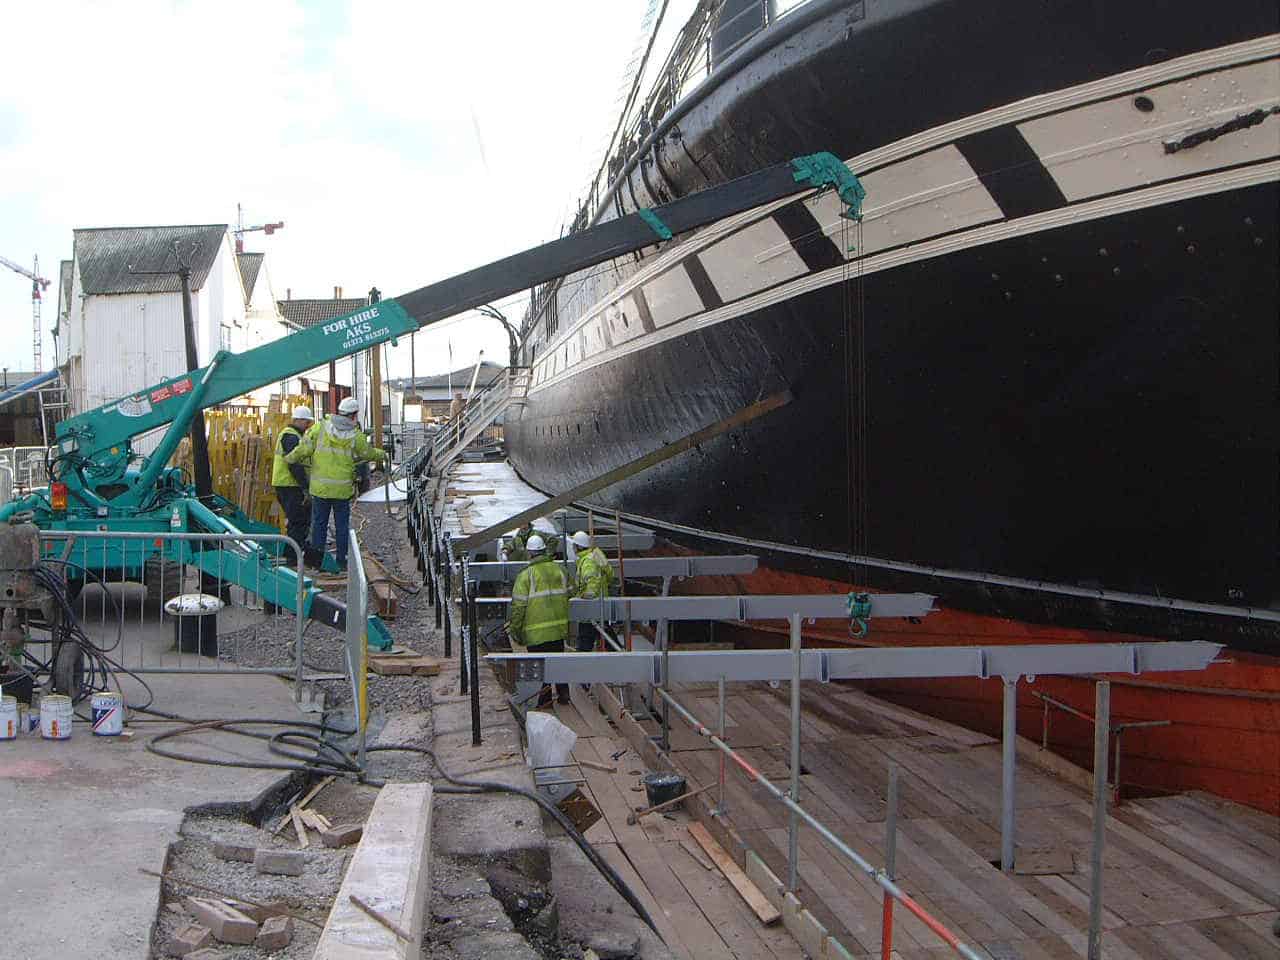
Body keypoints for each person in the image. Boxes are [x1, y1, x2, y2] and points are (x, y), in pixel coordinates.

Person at [285, 396, 386, 569]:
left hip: (320, 488)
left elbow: (304, 448)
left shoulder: (320, 427)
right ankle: (342, 559)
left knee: (319, 525)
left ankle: (316, 561)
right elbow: (367, 453)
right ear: (354, 415)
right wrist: (382, 454)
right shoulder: (355, 435)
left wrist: (289, 457)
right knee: (341, 526)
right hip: (341, 490)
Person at [506, 534, 571, 705]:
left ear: (529, 553)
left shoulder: (525, 576)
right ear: (544, 550)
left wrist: (515, 631)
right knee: (557, 661)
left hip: (535, 632)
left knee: (539, 668)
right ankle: (564, 695)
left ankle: (544, 700)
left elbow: (518, 608)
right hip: (558, 629)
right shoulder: (560, 570)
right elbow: (571, 592)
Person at [270, 405, 315, 555]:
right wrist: (305, 487)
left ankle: (294, 554)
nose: (308, 425)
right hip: (289, 484)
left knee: (297, 519)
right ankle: (292, 556)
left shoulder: (293, 435)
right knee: (298, 520)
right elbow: (294, 464)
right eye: (306, 422)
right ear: (298, 420)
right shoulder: (291, 436)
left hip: (287, 484)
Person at [571, 530, 615, 653]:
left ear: (578, 546)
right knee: (606, 636)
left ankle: (582, 663)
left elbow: (592, 581)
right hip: (600, 605)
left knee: (586, 640)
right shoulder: (595, 555)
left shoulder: (587, 561)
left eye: (574, 545)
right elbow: (610, 575)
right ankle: (619, 655)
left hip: (590, 609)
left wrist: (586, 598)